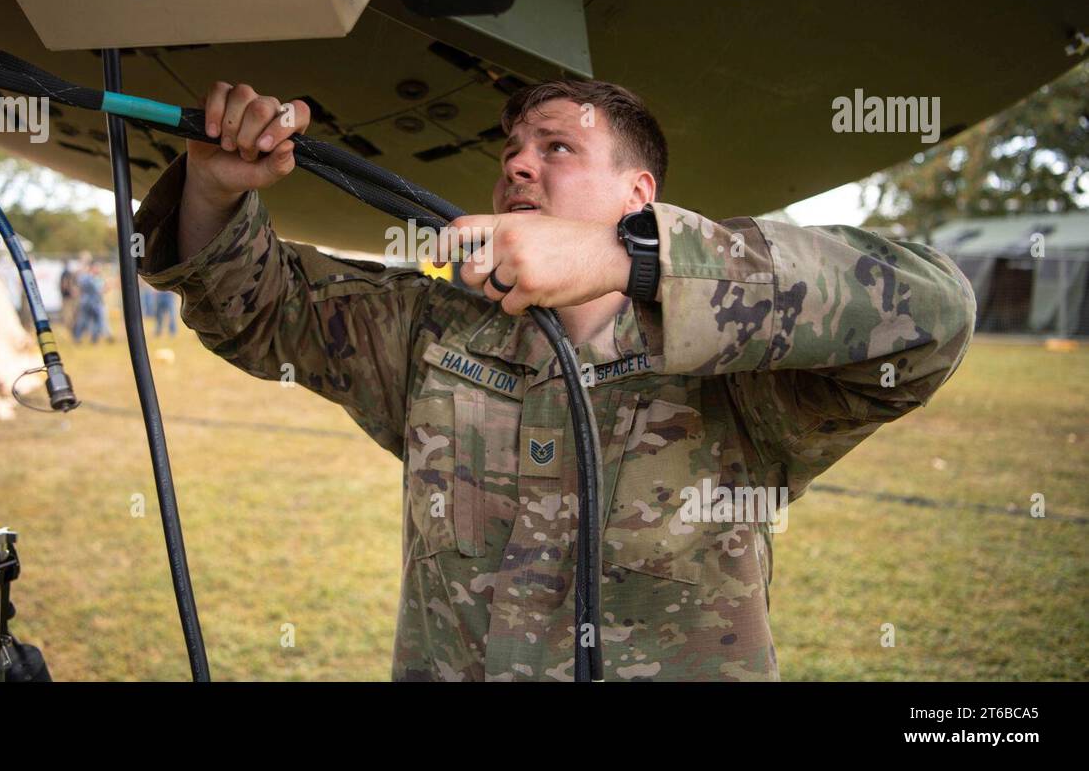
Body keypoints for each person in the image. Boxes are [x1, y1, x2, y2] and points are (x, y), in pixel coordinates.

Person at [133, 80, 976, 682]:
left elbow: (933, 311)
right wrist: (212, 184)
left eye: (558, 149)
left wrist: (633, 258)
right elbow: (257, 307)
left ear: (638, 193)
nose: (518, 169)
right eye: (513, 154)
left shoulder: (734, 372)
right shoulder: (433, 333)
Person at [73, 262, 114, 344]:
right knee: (86, 321)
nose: (99, 270)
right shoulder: (89, 278)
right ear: (92, 268)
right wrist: (107, 287)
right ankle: (80, 337)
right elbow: (98, 290)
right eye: (97, 268)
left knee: (95, 321)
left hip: (91, 302)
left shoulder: (86, 277)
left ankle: (94, 338)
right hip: (91, 303)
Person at [59, 260, 79, 333]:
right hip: (68, 297)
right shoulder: (67, 273)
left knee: (69, 314)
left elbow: (65, 284)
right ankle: (71, 329)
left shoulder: (66, 273)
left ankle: (71, 329)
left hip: (68, 297)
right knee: (69, 314)